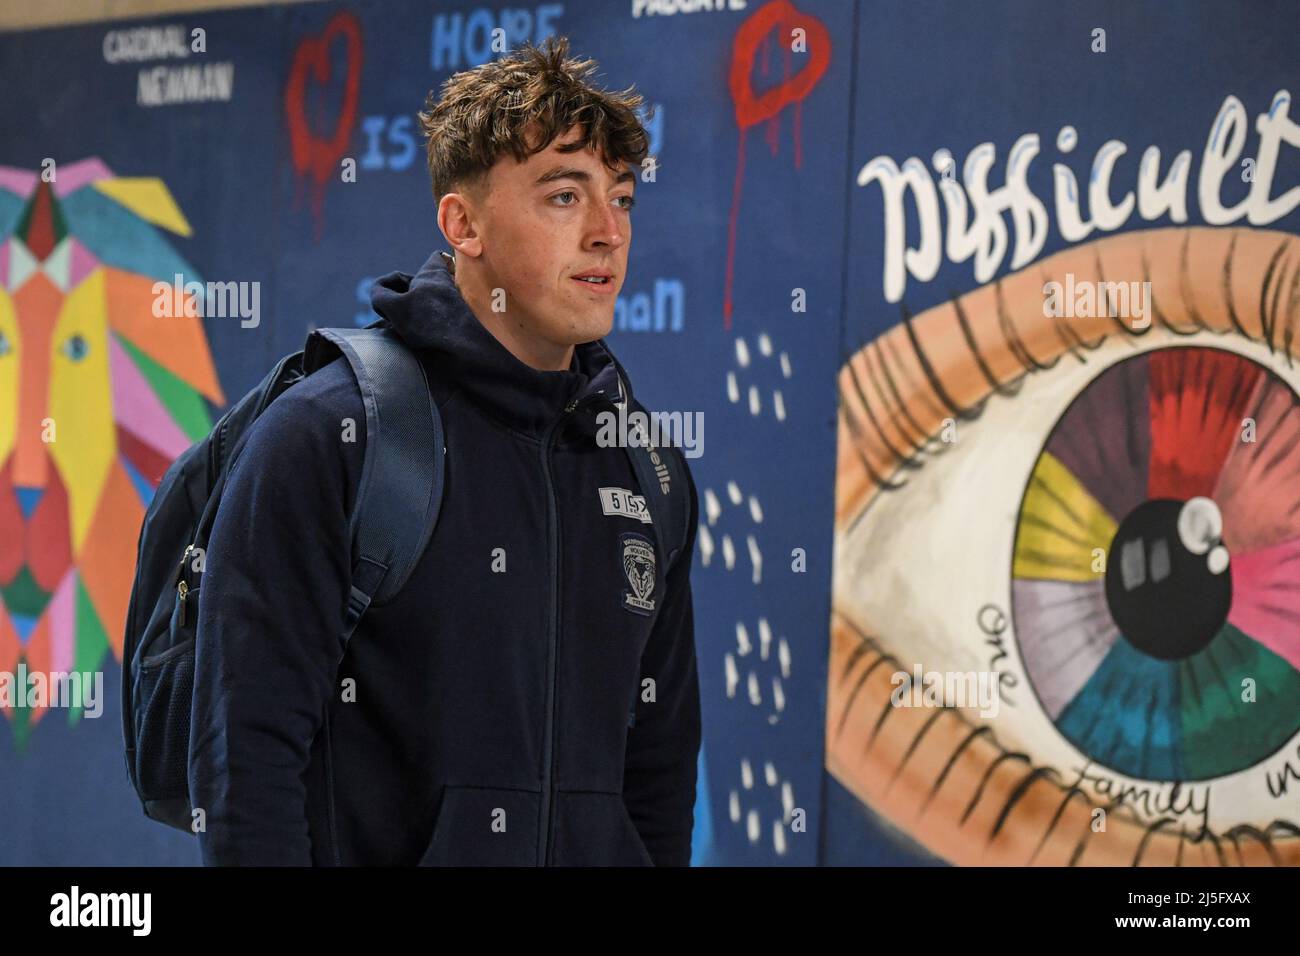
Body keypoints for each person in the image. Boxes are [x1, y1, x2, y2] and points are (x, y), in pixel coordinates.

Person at [187, 35, 701, 866]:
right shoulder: (332, 438)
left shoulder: (647, 467)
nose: (608, 232)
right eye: (565, 197)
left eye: (623, 198)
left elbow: (660, 777)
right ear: (464, 225)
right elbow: (246, 772)